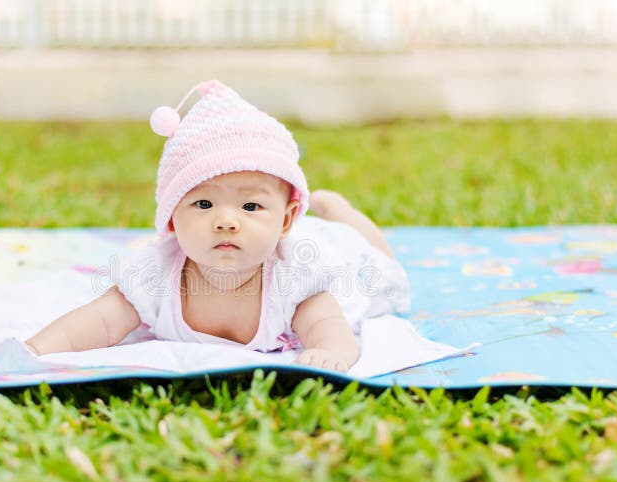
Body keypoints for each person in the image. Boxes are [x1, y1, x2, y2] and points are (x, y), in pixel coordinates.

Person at [26, 80, 410, 372]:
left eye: (250, 205)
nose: (226, 221)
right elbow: (98, 320)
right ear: (173, 218)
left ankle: (338, 209)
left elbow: (328, 326)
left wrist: (328, 353)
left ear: (286, 219)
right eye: (204, 203)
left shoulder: (300, 275)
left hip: (344, 254)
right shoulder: (155, 274)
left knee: (379, 262)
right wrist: (36, 351)